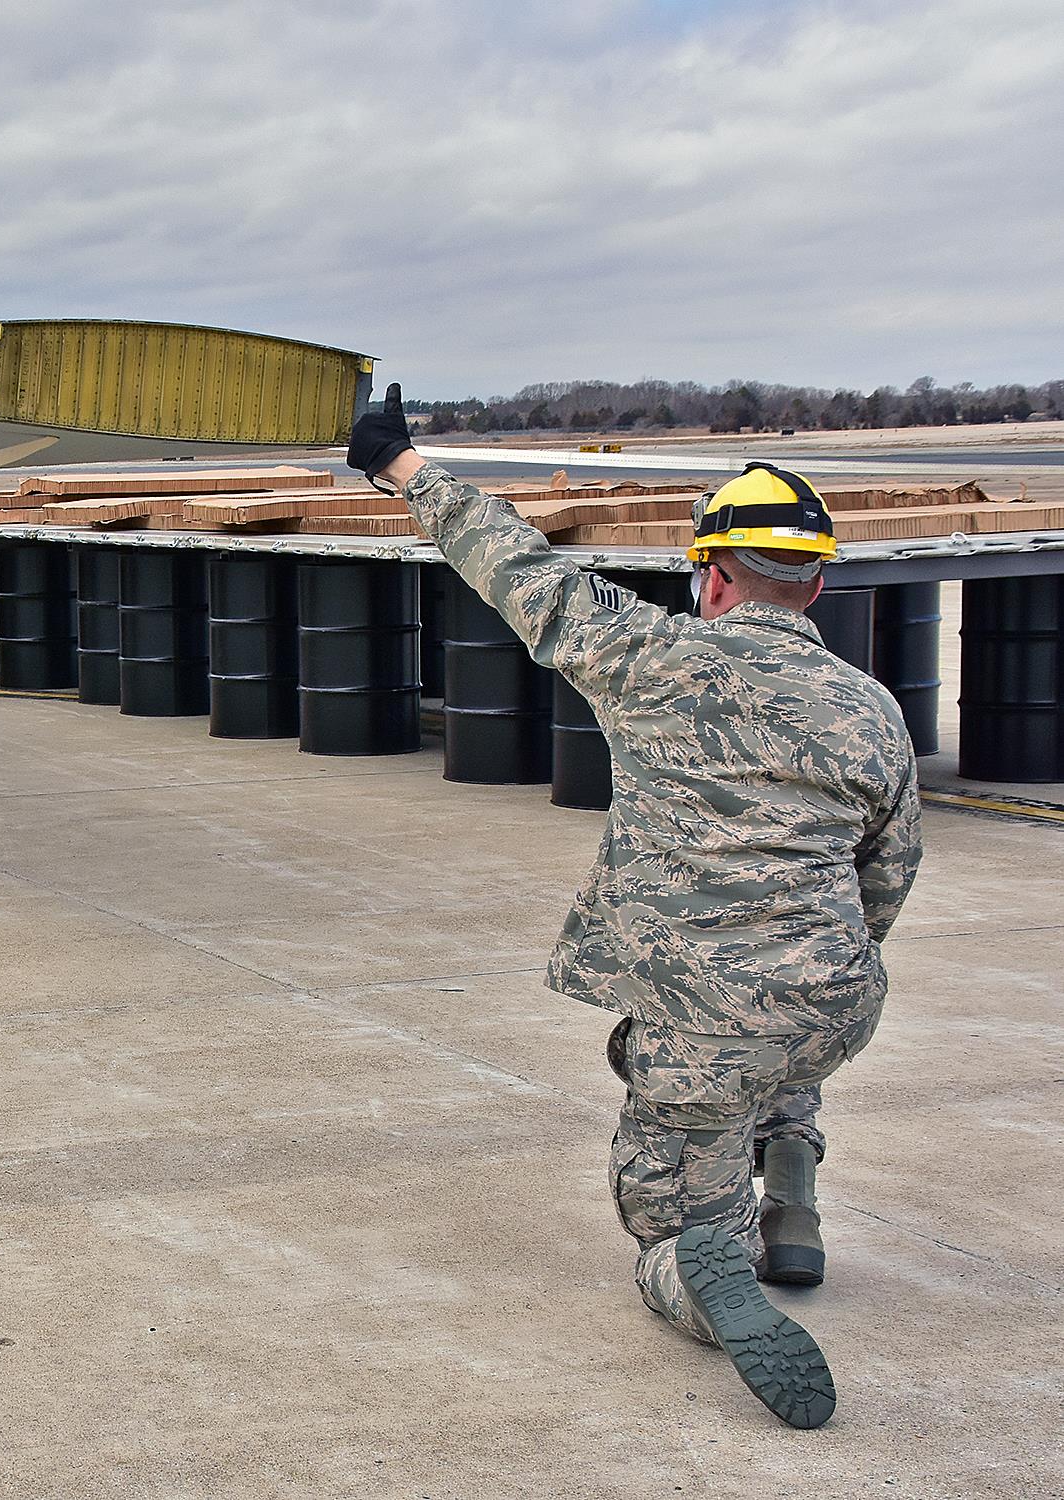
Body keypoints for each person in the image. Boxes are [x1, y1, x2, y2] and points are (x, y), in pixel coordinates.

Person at [348, 386, 921, 1429]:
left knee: (667, 1220)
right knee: (784, 1020)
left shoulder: (647, 658)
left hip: (701, 1029)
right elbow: (887, 875)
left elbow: (519, 569)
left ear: (709, 577)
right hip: (834, 1008)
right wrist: (835, 965)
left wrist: (402, 466)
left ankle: (709, 1272)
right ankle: (790, 1192)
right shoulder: (872, 709)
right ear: (820, 583)